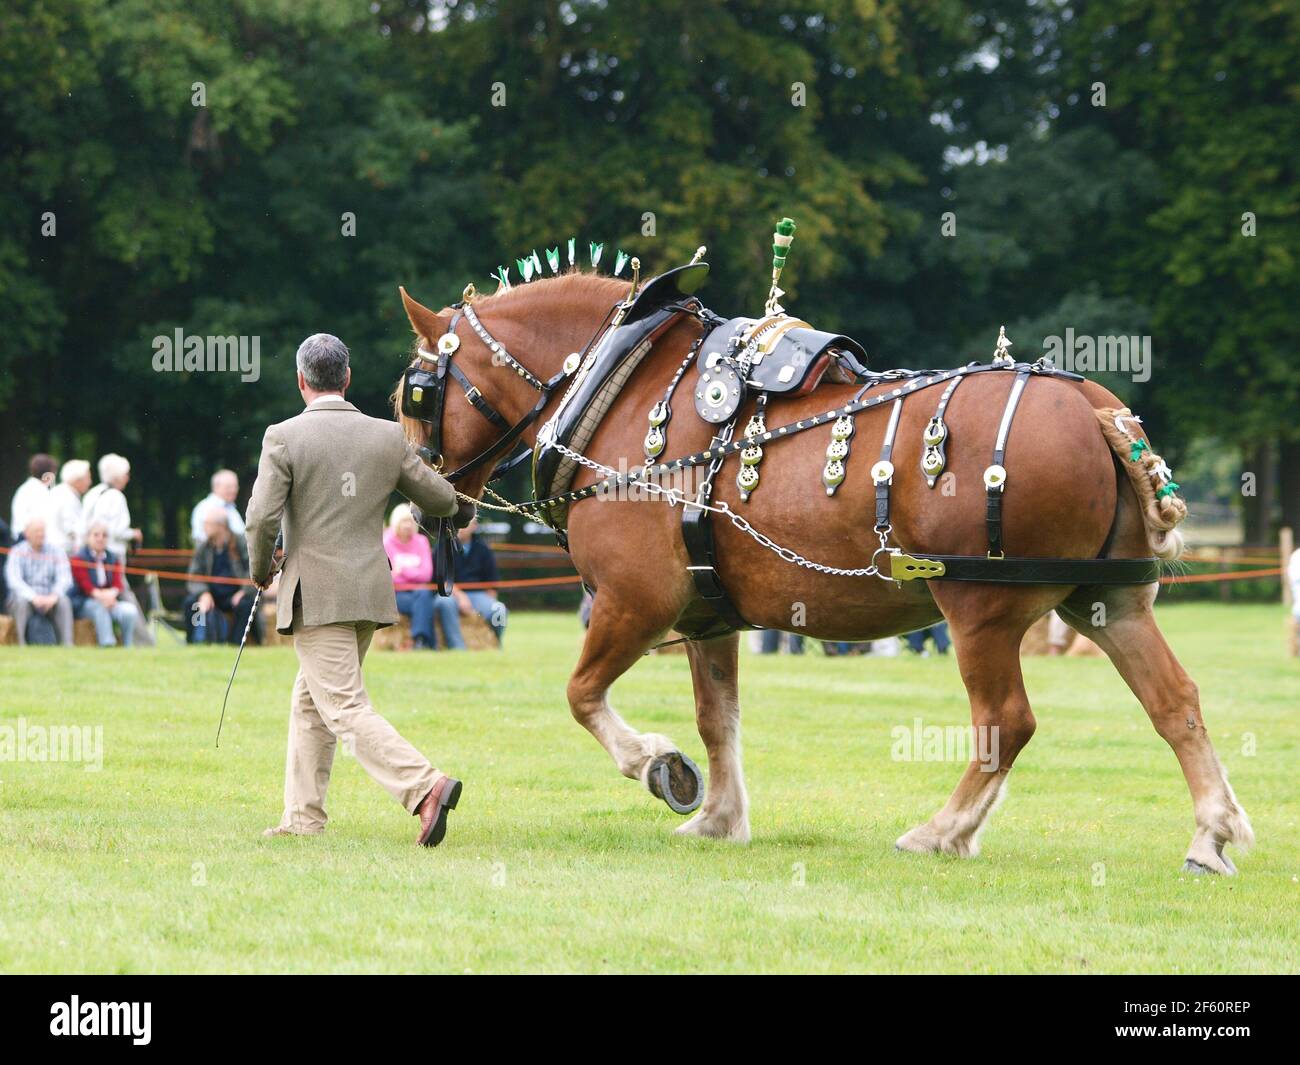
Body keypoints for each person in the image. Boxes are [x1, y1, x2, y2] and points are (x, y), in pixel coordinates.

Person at [245, 332, 468, 846]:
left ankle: (425, 786)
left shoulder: (282, 437)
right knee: (311, 701)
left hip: (318, 598)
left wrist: (261, 571)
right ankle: (302, 819)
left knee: (343, 706)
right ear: (347, 379)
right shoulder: (387, 436)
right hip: (369, 594)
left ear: (302, 381)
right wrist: (459, 504)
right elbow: (438, 497)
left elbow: (260, 519)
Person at [81, 453, 154, 647]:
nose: (128, 478)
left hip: (90, 554)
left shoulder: (92, 493)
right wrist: (134, 534)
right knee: (125, 595)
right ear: (117, 476)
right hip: (112, 557)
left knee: (114, 598)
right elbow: (115, 530)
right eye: (126, 474)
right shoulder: (116, 496)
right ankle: (142, 640)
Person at [181, 507, 254, 644]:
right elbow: (194, 576)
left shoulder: (240, 543)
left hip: (235, 595)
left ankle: (235, 644)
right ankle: (194, 642)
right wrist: (204, 593)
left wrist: (243, 592)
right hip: (212, 595)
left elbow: (253, 570)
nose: (204, 527)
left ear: (221, 526)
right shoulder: (203, 547)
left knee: (246, 604)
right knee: (191, 603)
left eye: (208, 524)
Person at [4, 516, 74, 646]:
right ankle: (21, 644)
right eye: (37, 531)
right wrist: (33, 597)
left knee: (64, 602)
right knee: (21, 601)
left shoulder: (57, 551)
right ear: (26, 534)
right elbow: (14, 580)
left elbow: (65, 578)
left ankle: (67, 645)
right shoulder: (17, 552)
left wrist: (53, 596)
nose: (41, 534)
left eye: (42, 530)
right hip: (26, 598)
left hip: (50, 597)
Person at [70, 520, 138, 647]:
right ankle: (107, 644)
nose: (100, 539)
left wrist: (110, 596)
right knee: (99, 608)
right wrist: (104, 597)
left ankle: (127, 645)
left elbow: (118, 583)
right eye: (96, 535)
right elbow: (87, 587)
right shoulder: (78, 558)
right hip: (85, 602)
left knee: (130, 611)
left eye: (104, 535)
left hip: (110, 600)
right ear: (88, 537)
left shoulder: (113, 558)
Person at [383, 504, 437, 649]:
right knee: (424, 601)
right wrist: (414, 571)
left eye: (410, 521)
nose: (407, 525)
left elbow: (427, 575)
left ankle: (418, 639)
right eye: (403, 521)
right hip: (395, 595)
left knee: (424, 595)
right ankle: (422, 640)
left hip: (418, 593)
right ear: (395, 523)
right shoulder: (386, 542)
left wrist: (402, 570)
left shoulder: (422, 541)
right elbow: (387, 578)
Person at [450, 517, 508, 645]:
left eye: (464, 523)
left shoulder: (483, 550)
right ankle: (456, 646)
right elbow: (441, 579)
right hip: (450, 595)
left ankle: (495, 642)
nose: (460, 528)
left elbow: (492, 583)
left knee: (499, 610)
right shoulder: (443, 547)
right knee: (444, 605)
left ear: (474, 526)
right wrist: (460, 597)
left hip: (478, 596)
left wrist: (488, 605)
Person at [47, 459, 92, 553]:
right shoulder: (68, 497)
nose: (90, 482)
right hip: (62, 550)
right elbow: (72, 529)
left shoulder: (59, 491)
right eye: (88, 478)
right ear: (77, 480)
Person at [190, 469, 245, 545]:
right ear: (216, 487)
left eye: (235, 486)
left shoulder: (231, 508)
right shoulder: (203, 508)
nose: (233, 490)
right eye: (228, 487)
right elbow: (200, 540)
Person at [10, 453, 57, 541]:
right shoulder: (41, 492)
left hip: (22, 538)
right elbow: (45, 522)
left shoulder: (24, 488)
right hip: (30, 540)